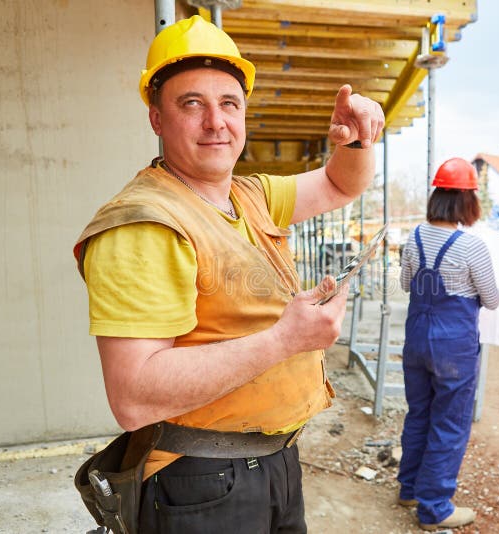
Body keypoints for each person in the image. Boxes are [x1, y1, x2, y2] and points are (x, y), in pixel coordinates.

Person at [72, 15, 384, 534]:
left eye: (229, 103)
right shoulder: (144, 222)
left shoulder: (249, 195)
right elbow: (133, 397)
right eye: (191, 103)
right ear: (156, 117)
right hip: (201, 483)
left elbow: (338, 185)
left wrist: (356, 142)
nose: (216, 121)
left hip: (274, 461)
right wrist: (286, 339)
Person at [397, 157, 499, 531]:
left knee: (419, 413)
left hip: (417, 340)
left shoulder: (414, 238)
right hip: (453, 348)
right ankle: (434, 506)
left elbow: (406, 285)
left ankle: (409, 488)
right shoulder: (471, 247)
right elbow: (492, 299)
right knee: (450, 422)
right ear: (467, 202)